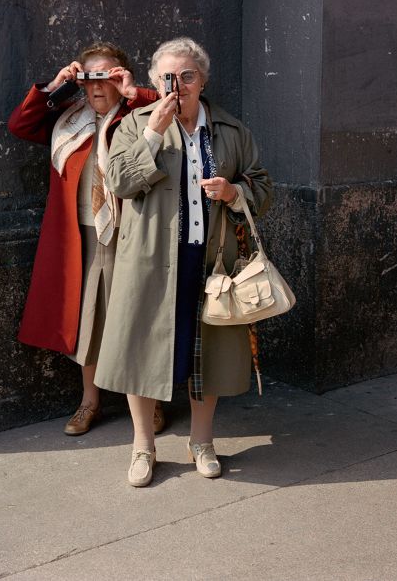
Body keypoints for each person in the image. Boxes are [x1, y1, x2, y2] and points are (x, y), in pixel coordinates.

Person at [95, 37, 273, 486]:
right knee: (140, 351)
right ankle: (142, 446)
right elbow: (118, 182)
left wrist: (234, 192)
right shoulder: (135, 125)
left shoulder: (230, 129)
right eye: (169, 77)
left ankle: (202, 442)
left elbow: (262, 186)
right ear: (156, 83)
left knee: (206, 354)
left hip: (211, 259)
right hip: (148, 259)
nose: (179, 85)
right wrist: (154, 133)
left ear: (203, 80)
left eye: (188, 75)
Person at [7, 42, 165, 436]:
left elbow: (174, 113)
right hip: (81, 237)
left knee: (136, 317)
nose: (97, 86)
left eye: (106, 76)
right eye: (90, 77)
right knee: (87, 322)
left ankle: (150, 403)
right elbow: (20, 125)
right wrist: (56, 87)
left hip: (131, 234)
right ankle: (89, 401)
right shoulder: (69, 119)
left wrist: (133, 91)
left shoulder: (138, 115)